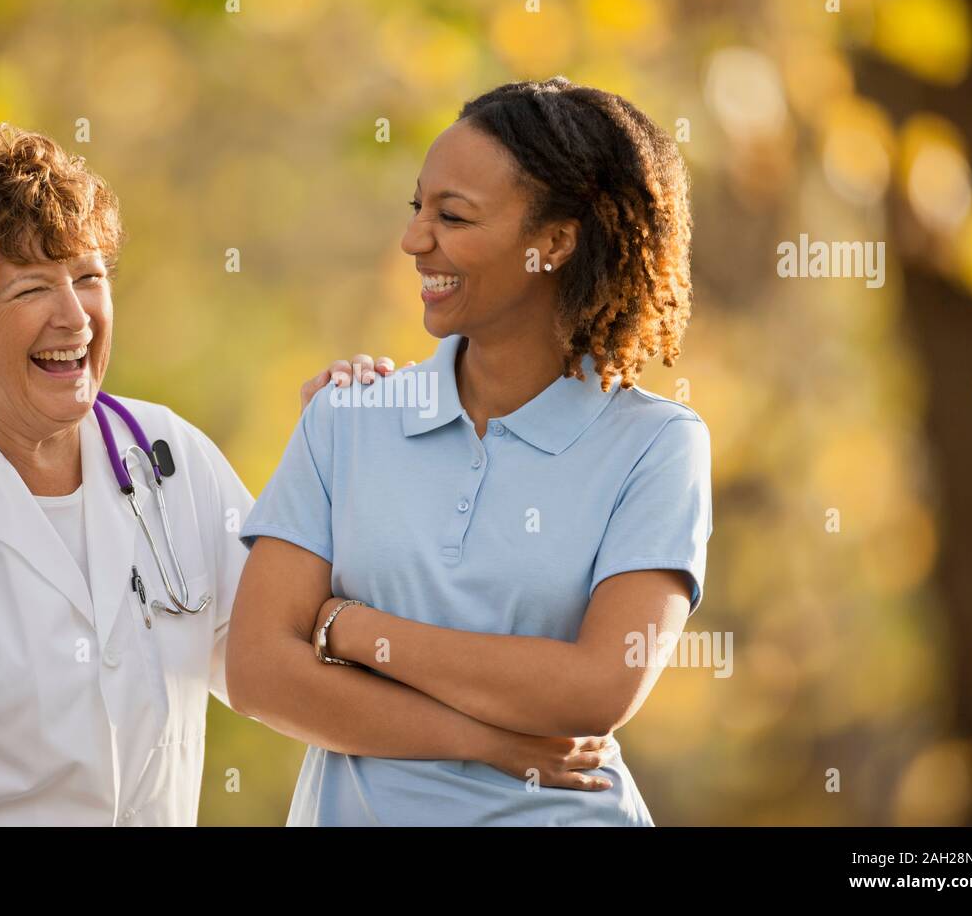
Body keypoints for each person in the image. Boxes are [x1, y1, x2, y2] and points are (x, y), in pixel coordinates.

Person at [0, 125, 392, 825]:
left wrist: (341, 472)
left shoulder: (172, 459)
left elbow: (286, 673)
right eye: (33, 288)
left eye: (90, 277)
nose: (76, 318)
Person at [227, 78, 711, 826]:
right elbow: (259, 673)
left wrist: (349, 629)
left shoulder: (656, 446)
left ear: (553, 242)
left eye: (452, 216)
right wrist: (484, 740)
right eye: (416, 208)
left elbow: (595, 690)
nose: (415, 240)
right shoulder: (347, 418)